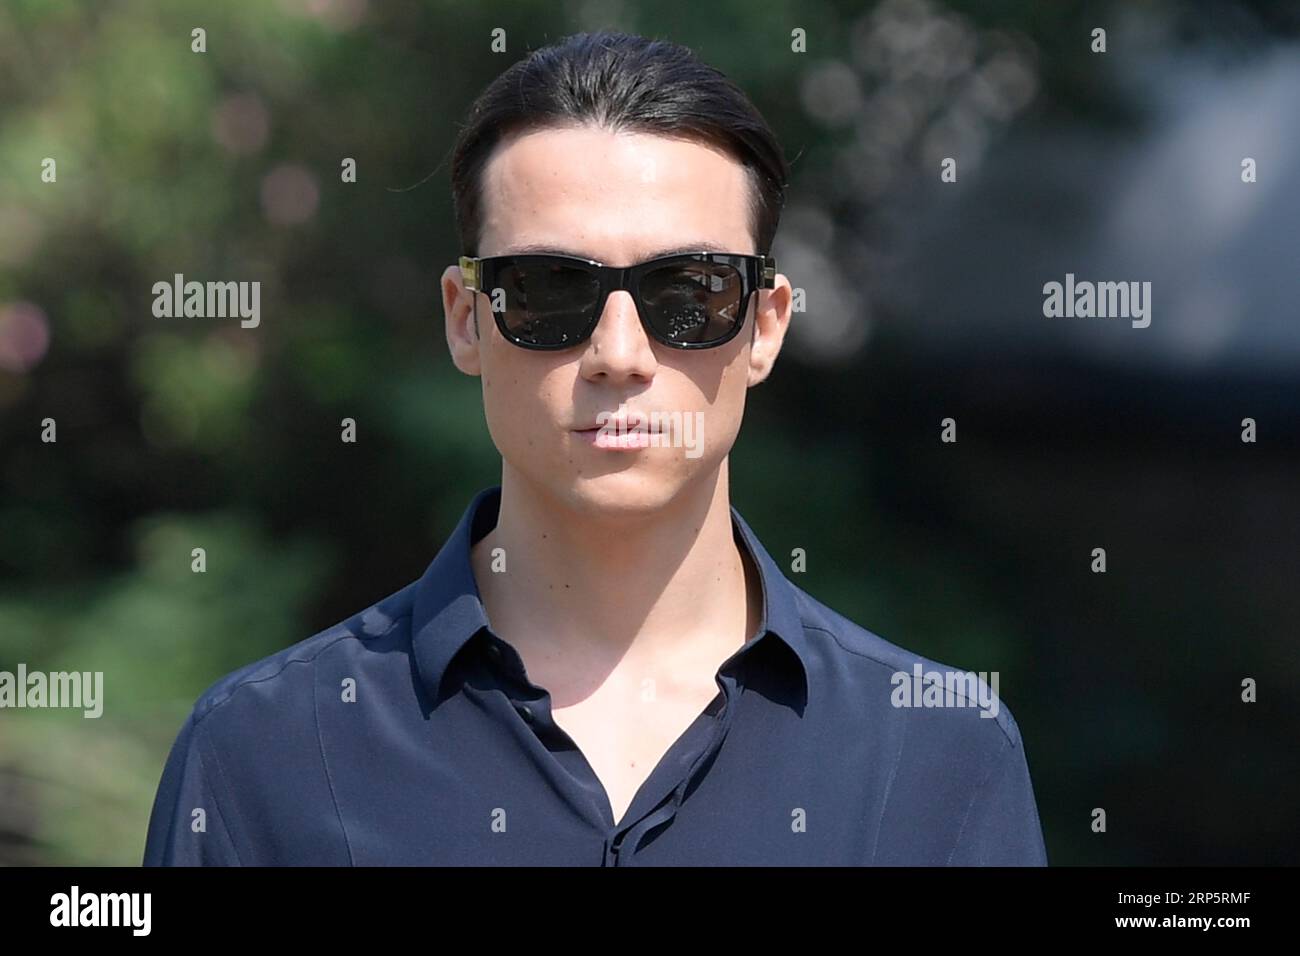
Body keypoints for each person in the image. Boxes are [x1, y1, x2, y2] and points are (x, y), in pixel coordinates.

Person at [143, 29, 1047, 866]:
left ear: (765, 328)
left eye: (689, 291)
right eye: (547, 288)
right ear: (467, 321)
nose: (619, 354)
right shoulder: (263, 755)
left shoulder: (941, 757)